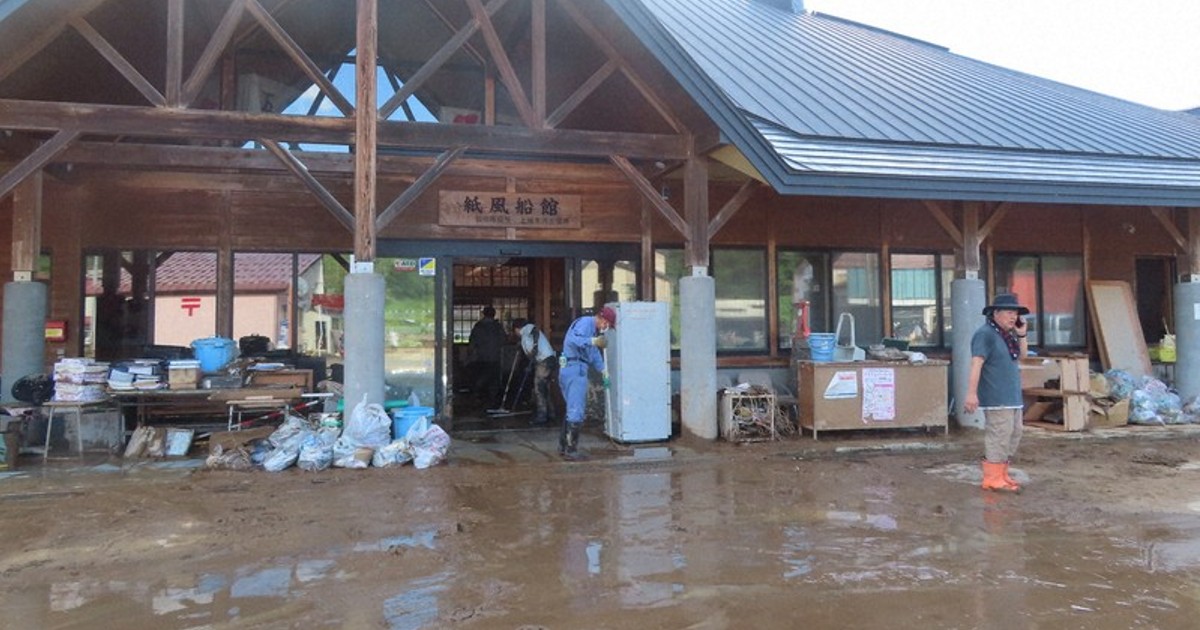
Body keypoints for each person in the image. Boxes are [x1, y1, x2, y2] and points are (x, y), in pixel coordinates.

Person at [964, 292, 1029, 493]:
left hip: (1012, 397)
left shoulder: (1007, 335)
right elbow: (976, 363)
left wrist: (1022, 335)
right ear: (995, 313)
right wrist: (971, 393)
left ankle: (1001, 474)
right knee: (998, 435)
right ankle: (992, 478)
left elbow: (1023, 356)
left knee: (1014, 434)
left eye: (1016, 313)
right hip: (996, 396)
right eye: (1009, 312)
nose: (1013, 317)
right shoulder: (985, 334)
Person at [557, 306, 616, 460]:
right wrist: (593, 340)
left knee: (572, 407)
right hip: (575, 369)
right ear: (601, 318)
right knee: (576, 410)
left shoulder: (589, 329)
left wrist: (603, 370)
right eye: (607, 324)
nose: (606, 328)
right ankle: (571, 450)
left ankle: (563, 446)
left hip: (572, 368)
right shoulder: (585, 323)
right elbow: (573, 340)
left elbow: (592, 352)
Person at [515, 319, 558, 425]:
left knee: (539, 388)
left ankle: (542, 415)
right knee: (544, 388)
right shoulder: (524, 337)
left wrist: (534, 347)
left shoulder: (527, 329)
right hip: (547, 360)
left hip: (544, 360)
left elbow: (534, 332)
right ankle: (551, 413)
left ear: (516, 328)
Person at [468, 306, 507, 408]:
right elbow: (504, 340)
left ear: (484, 314)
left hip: (481, 357)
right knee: (494, 379)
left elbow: (472, 342)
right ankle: (493, 400)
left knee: (480, 377)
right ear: (494, 314)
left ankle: (477, 397)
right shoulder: (497, 326)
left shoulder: (478, 326)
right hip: (495, 357)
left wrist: (470, 355)